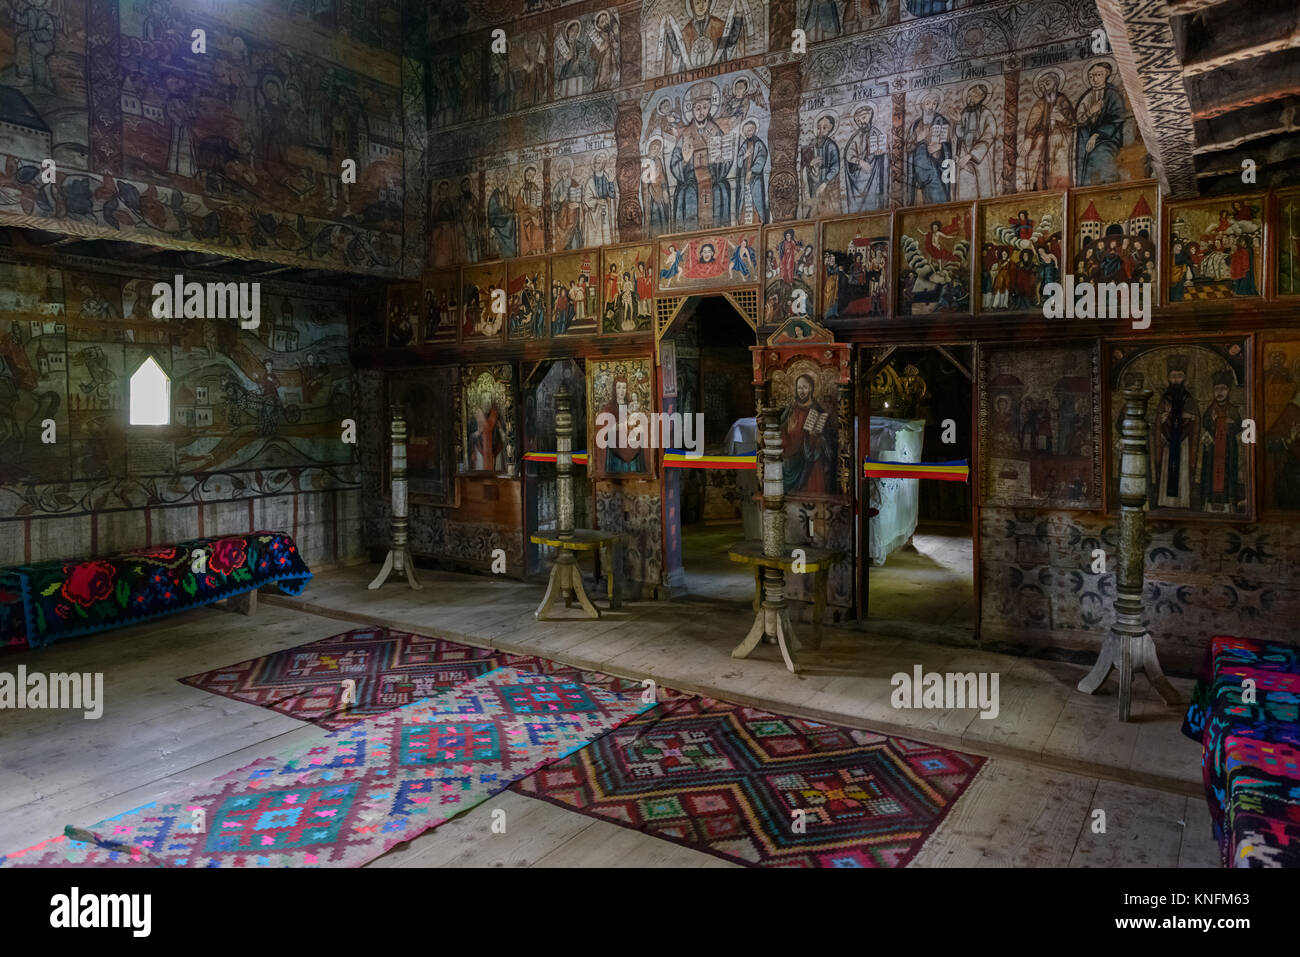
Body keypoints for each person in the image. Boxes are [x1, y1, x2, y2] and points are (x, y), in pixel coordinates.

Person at [780, 373, 836, 496]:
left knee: (816, 462)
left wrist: (816, 436)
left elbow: (828, 438)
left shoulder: (818, 410)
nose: (802, 391)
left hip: (810, 455)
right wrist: (788, 431)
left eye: (805, 387)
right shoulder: (790, 409)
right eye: (799, 387)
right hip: (790, 452)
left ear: (811, 388)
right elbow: (780, 428)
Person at [1155, 354, 1199, 509]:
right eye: (1173, 376)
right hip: (1167, 439)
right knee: (1168, 468)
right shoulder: (1165, 398)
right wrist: (1162, 420)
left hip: (1183, 440)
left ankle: (1182, 501)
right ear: (1168, 378)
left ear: (1185, 377)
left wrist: (1188, 416)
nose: (1176, 380)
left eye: (1179, 376)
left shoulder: (1189, 398)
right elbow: (1158, 420)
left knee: (1182, 469)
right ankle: (1166, 502)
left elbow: (1195, 418)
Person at [1199, 370, 1243, 512]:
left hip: (1229, 448)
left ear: (1228, 391)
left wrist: (1221, 422)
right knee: (1210, 474)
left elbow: (1238, 425)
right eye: (1217, 389)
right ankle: (1208, 505)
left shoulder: (1233, 410)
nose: (1220, 392)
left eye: (1223, 389)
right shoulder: (1210, 409)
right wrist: (1217, 422)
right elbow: (1206, 422)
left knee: (1229, 475)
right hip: (1212, 449)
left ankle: (1229, 505)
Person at [1074, 60, 1124, 186]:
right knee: (1080, 153)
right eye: (1091, 76)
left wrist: (1097, 135)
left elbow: (1116, 118)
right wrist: (1091, 111)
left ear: (1107, 75)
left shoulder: (1113, 95)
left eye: (1098, 75)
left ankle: (1107, 185)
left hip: (1108, 136)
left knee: (1099, 152)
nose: (1094, 79)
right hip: (1087, 135)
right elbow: (1080, 119)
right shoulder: (1087, 96)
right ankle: (1083, 187)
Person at [1023, 69, 1074, 191]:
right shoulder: (1040, 103)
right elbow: (1032, 123)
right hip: (1042, 138)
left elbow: (1071, 122)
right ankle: (1038, 188)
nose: (1044, 85)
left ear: (1055, 83)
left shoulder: (1062, 100)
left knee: (1058, 147)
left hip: (1060, 138)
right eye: (1042, 83)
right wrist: (1029, 138)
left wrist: (1061, 118)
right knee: (1038, 146)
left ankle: (1061, 188)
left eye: (1047, 82)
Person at [906, 91, 951, 204]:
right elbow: (908, 147)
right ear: (922, 105)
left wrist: (940, 147)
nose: (931, 107)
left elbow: (949, 145)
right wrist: (918, 139)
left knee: (938, 197)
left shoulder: (941, 121)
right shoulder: (916, 125)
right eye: (928, 103)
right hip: (918, 167)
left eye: (934, 104)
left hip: (935, 167)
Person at [955, 83, 998, 199]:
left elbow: (989, 135)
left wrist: (971, 155)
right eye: (969, 96)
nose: (970, 99)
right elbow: (960, 135)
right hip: (965, 156)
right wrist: (959, 122)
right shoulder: (964, 113)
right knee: (965, 189)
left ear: (982, 97)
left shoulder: (986, 114)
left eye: (975, 96)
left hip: (981, 157)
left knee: (984, 189)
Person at [843, 104, 888, 213]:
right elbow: (848, 156)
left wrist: (881, 155)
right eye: (858, 120)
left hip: (874, 176)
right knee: (857, 207)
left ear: (870, 117)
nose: (861, 122)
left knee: (874, 202)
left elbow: (885, 156)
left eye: (863, 118)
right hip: (859, 178)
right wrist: (860, 162)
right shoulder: (855, 137)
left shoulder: (877, 134)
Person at [601, 376, 645, 473]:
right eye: (619, 387)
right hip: (616, 450)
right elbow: (605, 429)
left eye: (624, 387)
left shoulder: (631, 405)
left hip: (631, 446)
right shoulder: (609, 408)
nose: (621, 391)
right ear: (614, 389)